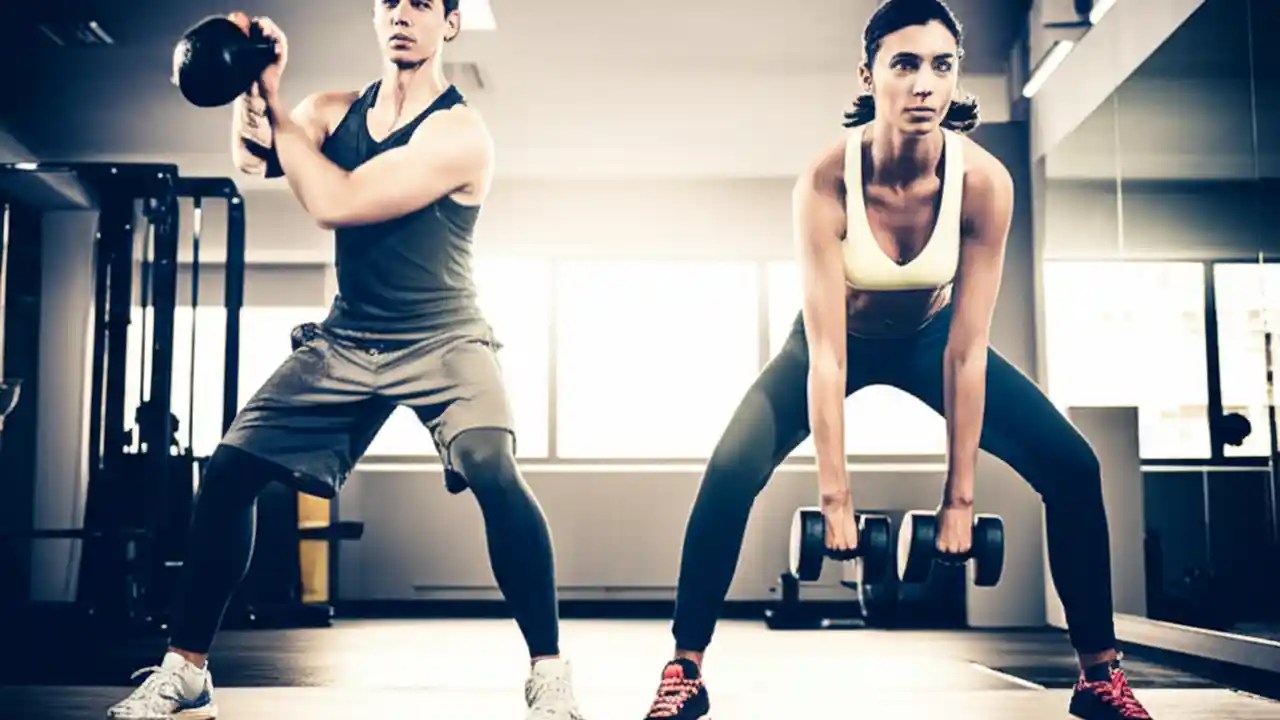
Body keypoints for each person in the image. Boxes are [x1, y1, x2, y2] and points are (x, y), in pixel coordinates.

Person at [640, 2, 1154, 719]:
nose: (924, 84)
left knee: (1073, 468)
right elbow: (825, 353)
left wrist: (960, 497)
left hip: (933, 341)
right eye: (904, 64)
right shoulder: (827, 180)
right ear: (869, 74)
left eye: (941, 65)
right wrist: (835, 494)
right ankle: (684, 670)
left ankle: (1100, 676)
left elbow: (968, 351)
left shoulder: (983, 184)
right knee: (729, 471)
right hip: (830, 341)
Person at [107, 2, 586, 719]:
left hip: (444, 335)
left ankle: (549, 671)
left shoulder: (460, 132)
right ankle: (188, 669)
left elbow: (338, 198)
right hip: (349, 336)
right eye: (390, 1)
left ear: (450, 24)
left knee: (491, 464)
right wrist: (255, 90)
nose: (403, 15)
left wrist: (279, 111)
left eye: (423, 3)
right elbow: (252, 157)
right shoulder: (332, 110)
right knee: (230, 472)